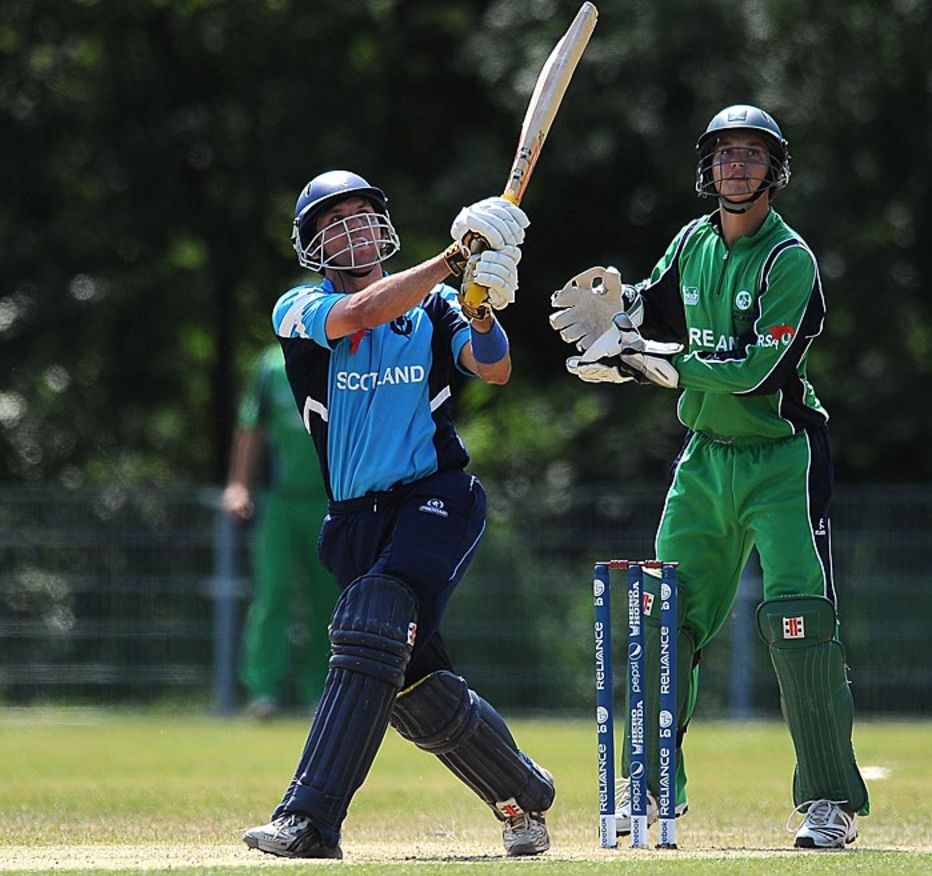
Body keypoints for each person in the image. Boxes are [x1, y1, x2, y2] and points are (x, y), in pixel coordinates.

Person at [550, 104, 870, 848]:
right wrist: (619, 319)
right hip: (704, 459)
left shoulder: (789, 260)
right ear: (708, 166)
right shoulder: (692, 240)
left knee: (800, 625)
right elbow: (650, 306)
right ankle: (652, 787)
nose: (736, 166)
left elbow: (762, 368)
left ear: (774, 171)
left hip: (783, 457)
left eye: (752, 155)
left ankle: (829, 802)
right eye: (725, 153)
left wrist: (659, 363)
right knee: (663, 621)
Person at [242, 171, 555, 859]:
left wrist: (478, 306)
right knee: (411, 686)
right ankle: (523, 794)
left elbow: (492, 367)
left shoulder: (438, 305)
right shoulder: (298, 309)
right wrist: (453, 258)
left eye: (361, 213)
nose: (351, 227)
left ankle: (310, 820)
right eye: (333, 220)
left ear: (383, 225)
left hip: (436, 497)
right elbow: (358, 317)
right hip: (353, 518)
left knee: (373, 619)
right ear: (310, 244)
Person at [223, 343, 337, 720]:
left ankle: (320, 692)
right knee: (273, 593)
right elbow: (250, 426)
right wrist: (239, 484)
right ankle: (262, 692)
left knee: (329, 599)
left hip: (333, 501)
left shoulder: (344, 354)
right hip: (280, 502)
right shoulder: (271, 365)